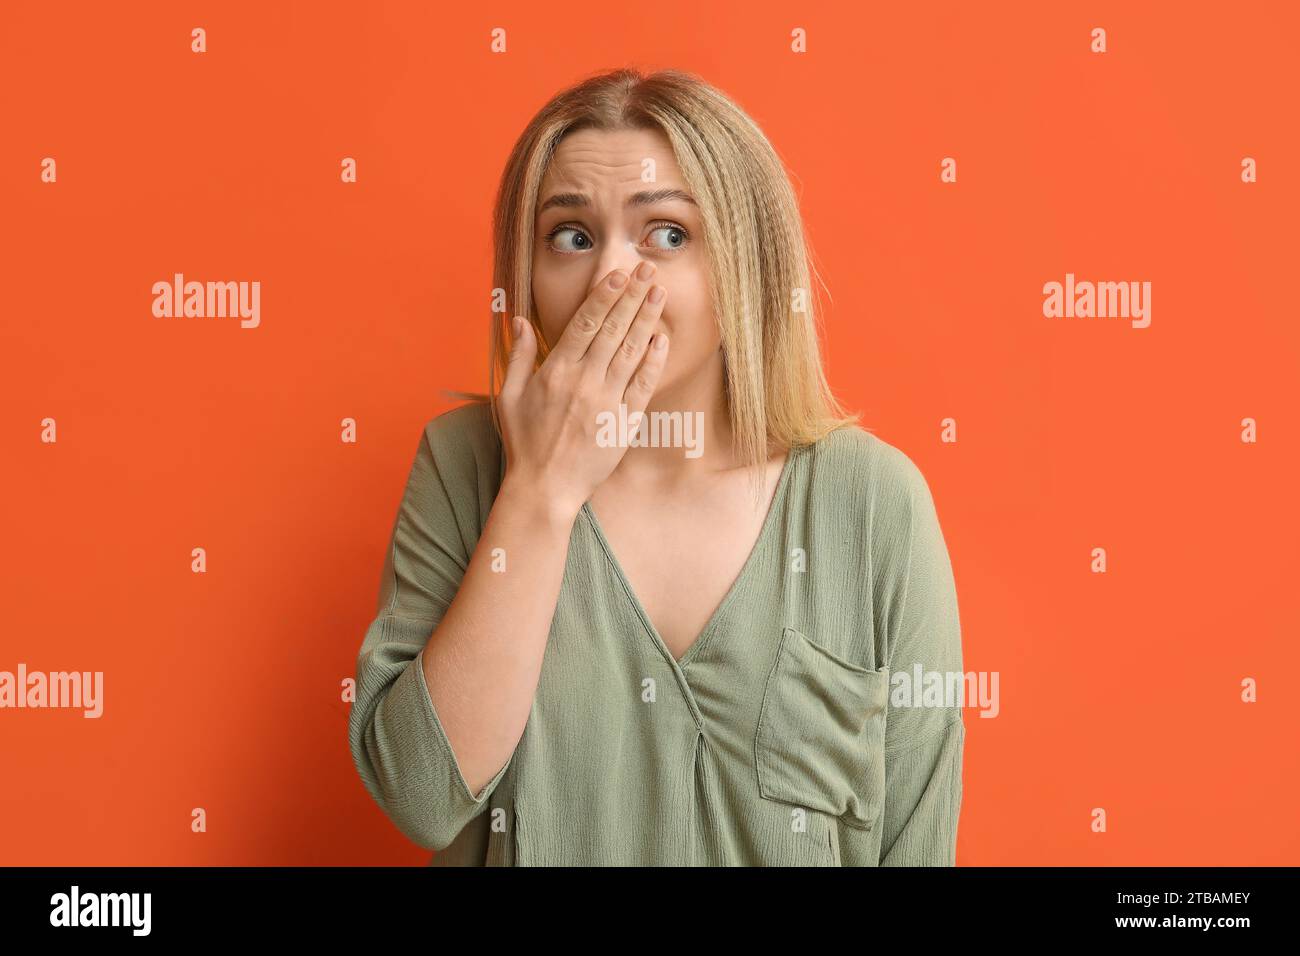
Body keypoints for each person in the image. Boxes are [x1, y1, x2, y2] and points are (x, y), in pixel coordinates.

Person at [348, 67, 965, 866]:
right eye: (571, 235)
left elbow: (918, 838)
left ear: (747, 266)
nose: (610, 275)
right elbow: (422, 796)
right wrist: (542, 487)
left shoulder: (876, 502)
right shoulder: (464, 464)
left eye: (667, 234)